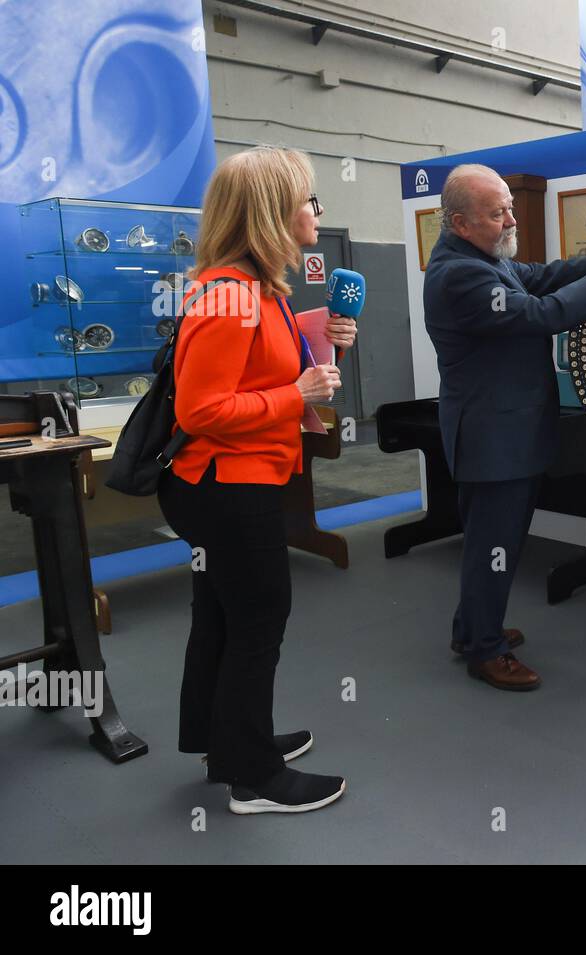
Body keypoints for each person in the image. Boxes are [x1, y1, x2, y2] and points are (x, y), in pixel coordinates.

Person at [158, 147, 358, 814]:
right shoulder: (232, 296)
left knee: (223, 615)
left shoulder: (257, 288)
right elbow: (202, 409)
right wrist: (297, 392)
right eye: (308, 199)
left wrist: (316, 333)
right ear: (273, 212)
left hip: (234, 483)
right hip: (225, 488)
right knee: (258, 620)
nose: (317, 212)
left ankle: (226, 740)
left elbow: (259, 356)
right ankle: (252, 776)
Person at [423, 163, 586, 690]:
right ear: (459, 222)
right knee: (494, 542)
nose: (510, 219)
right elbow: (540, 314)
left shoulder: (480, 258)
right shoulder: (460, 275)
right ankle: (485, 650)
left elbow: (538, 276)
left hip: (499, 431)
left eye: (509, 206)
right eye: (497, 212)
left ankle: (472, 627)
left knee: (492, 540)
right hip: (493, 438)